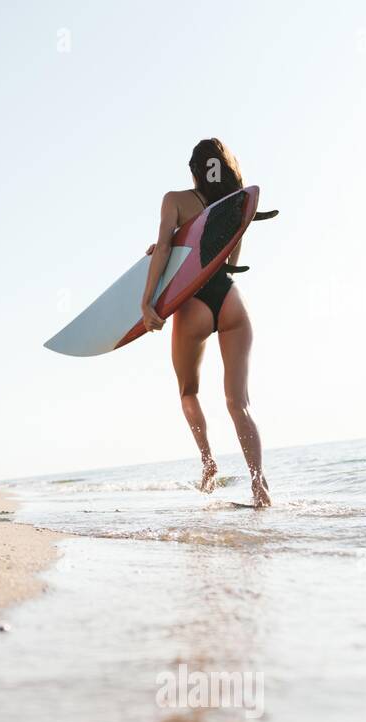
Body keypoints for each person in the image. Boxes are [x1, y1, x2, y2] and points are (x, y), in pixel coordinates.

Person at [140, 138, 271, 507]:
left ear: (194, 170)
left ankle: (209, 463)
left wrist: (147, 301)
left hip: (193, 303)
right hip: (230, 301)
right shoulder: (233, 203)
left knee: (188, 392)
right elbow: (227, 265)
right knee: (239, 403)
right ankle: (259, 485)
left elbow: (166, 250)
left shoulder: (174, 200)